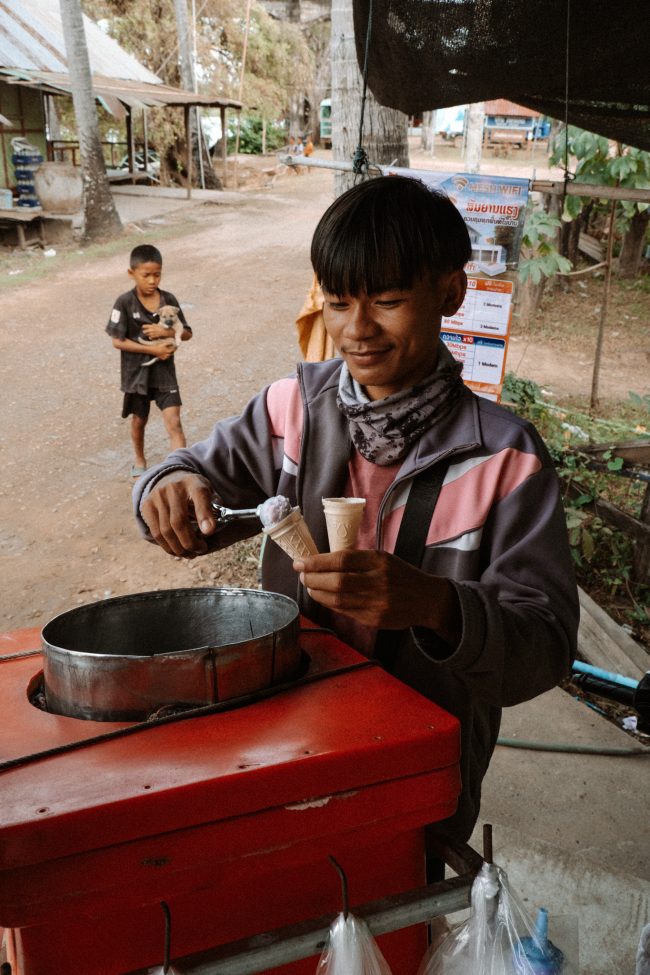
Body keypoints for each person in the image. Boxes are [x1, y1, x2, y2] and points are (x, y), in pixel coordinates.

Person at [134, 176, 579, 844]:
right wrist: (168, 486)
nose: (357, 329)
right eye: (338, 303)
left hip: (416, 785)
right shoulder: (291, 411)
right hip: (280, 748)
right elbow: (189, 472)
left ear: (451, 293)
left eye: (389, 301)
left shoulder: (506, 459)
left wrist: (437, 606)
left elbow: (545, 646)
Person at [106, 244, 192, 477]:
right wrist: (153, 351)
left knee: (174, 423)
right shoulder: (124, 302)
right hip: (136, 374)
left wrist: (167, 332)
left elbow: (187, 333)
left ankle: (181, 471)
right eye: (146, 275)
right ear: (131, 273)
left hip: (165, 374)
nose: (152, 280)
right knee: (138, 420)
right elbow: (117, 341)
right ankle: (139, 459)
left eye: (157, 275)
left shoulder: (168, 300)